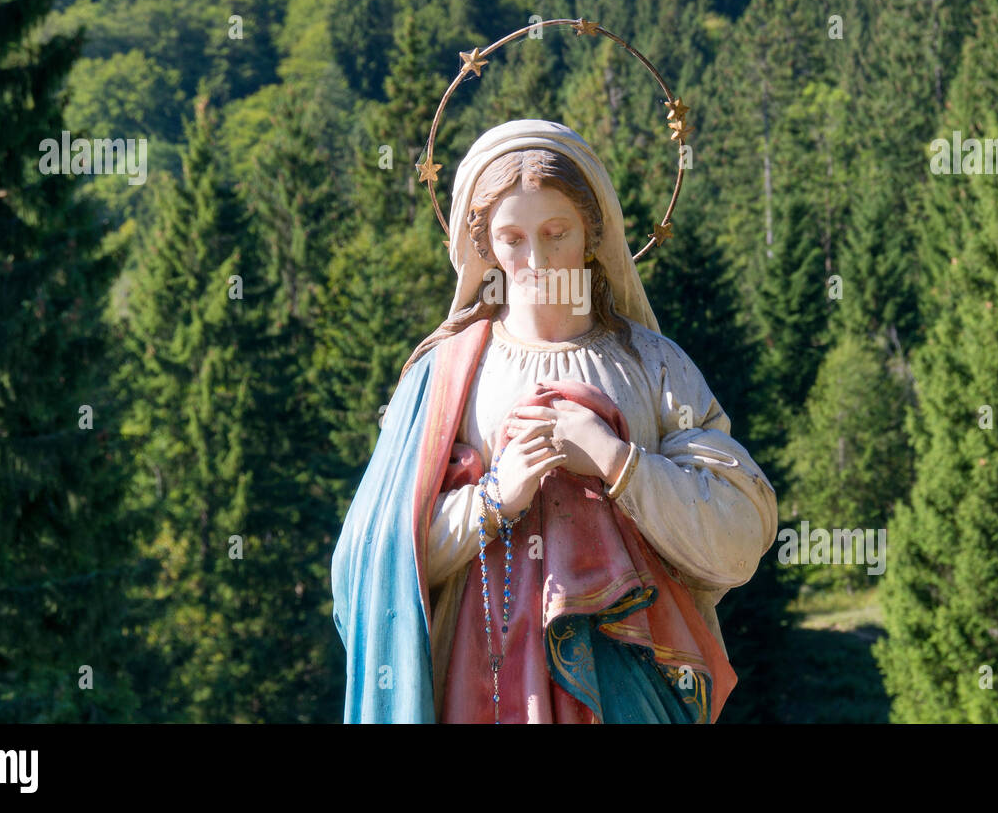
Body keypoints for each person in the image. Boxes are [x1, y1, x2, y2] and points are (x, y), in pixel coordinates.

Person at [332, 119, 777, 722]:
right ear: (484, 246)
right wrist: (495, 498)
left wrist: (615, 460)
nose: (536, 259)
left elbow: (739, 534)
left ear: (591, 234)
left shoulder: (652, 364)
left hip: (633, 681)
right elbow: (370, 558)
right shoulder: (443, 377)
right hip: (483, 682)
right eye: (512, 238)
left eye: (555, 232)